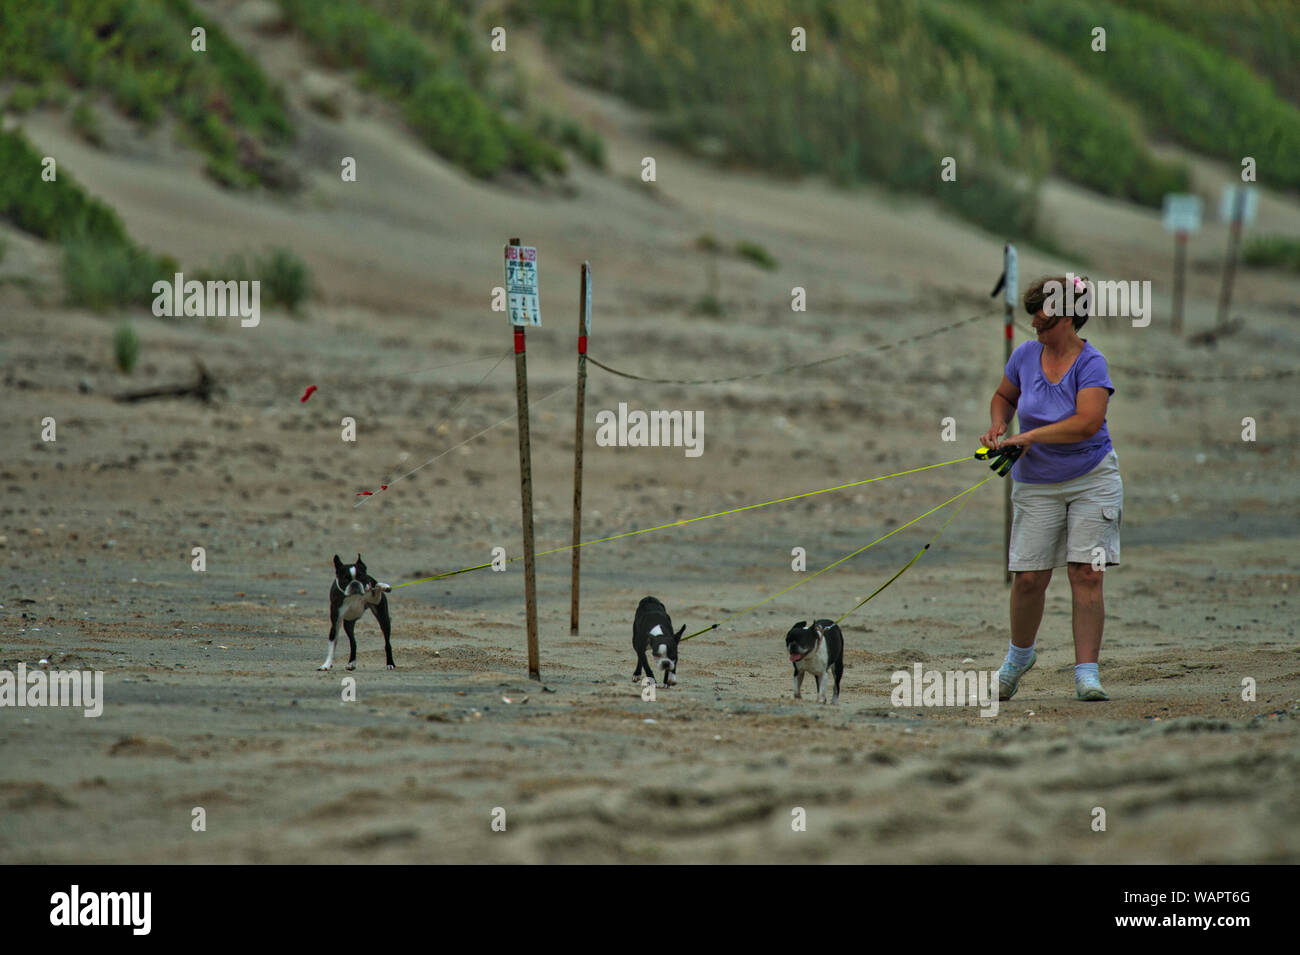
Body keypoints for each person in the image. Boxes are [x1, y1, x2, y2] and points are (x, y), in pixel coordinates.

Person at [980, 275, 1122, 702]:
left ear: (1066, 314)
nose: (1034, 319)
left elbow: (1087, 423)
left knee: (1085, 573)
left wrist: (1028, 438)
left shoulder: (1091, 363)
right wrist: (1000, 424)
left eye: (1042, 310)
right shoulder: (1024, 356)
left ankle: (1087, 674)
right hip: (1036, 483)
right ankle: (1019, 657)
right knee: (1028, 578)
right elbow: (1003, 396)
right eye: (1033, 309)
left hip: (1092, 478)